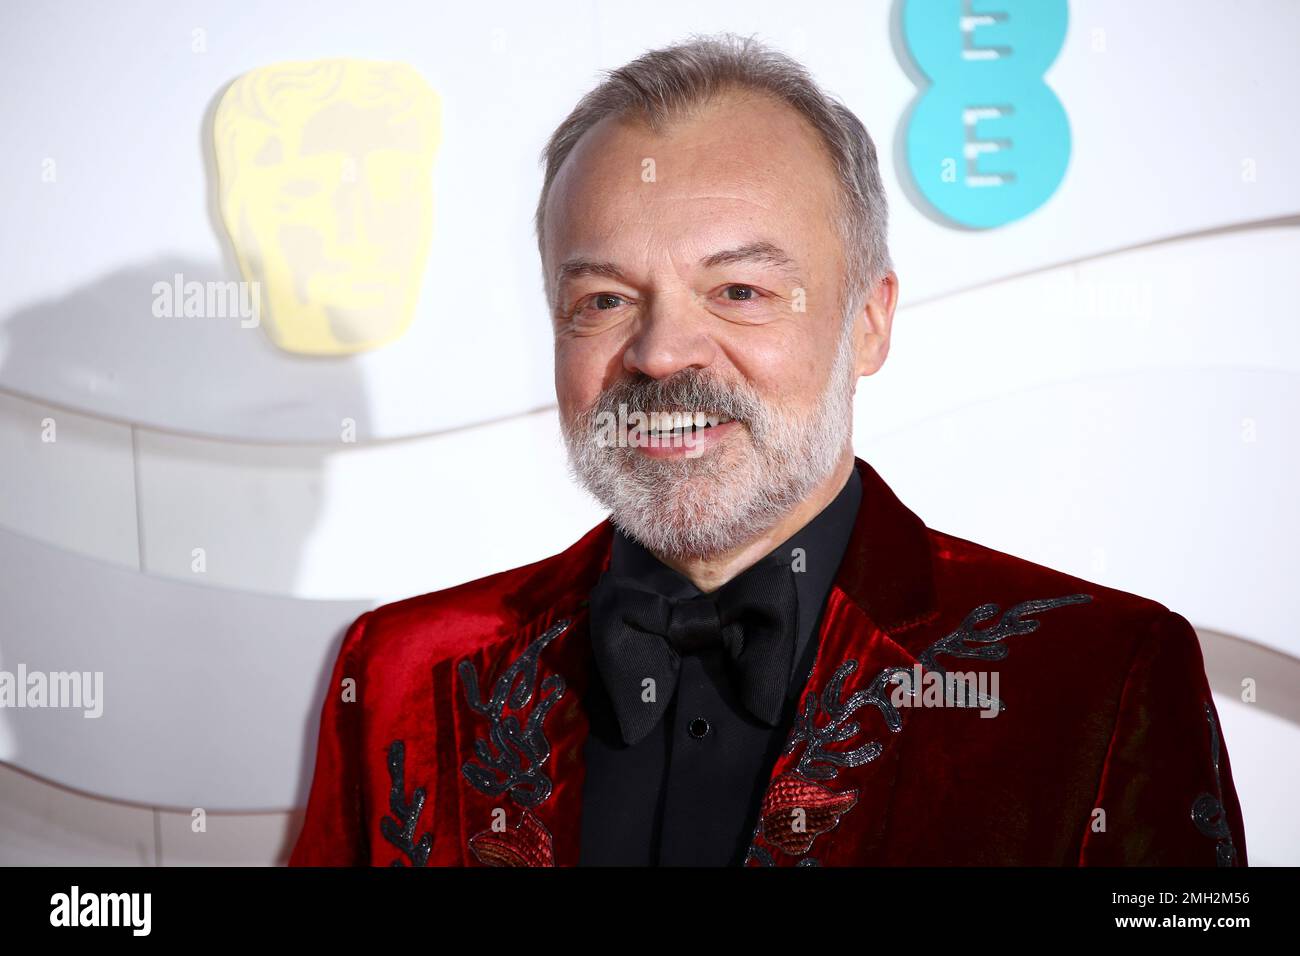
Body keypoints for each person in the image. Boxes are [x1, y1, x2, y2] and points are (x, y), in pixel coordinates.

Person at [289, 33, 1246, 867]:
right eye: (604, 301)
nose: (662, 353)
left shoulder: (1097, 676)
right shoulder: (403, 675)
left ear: (869, 325)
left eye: (740, 291)